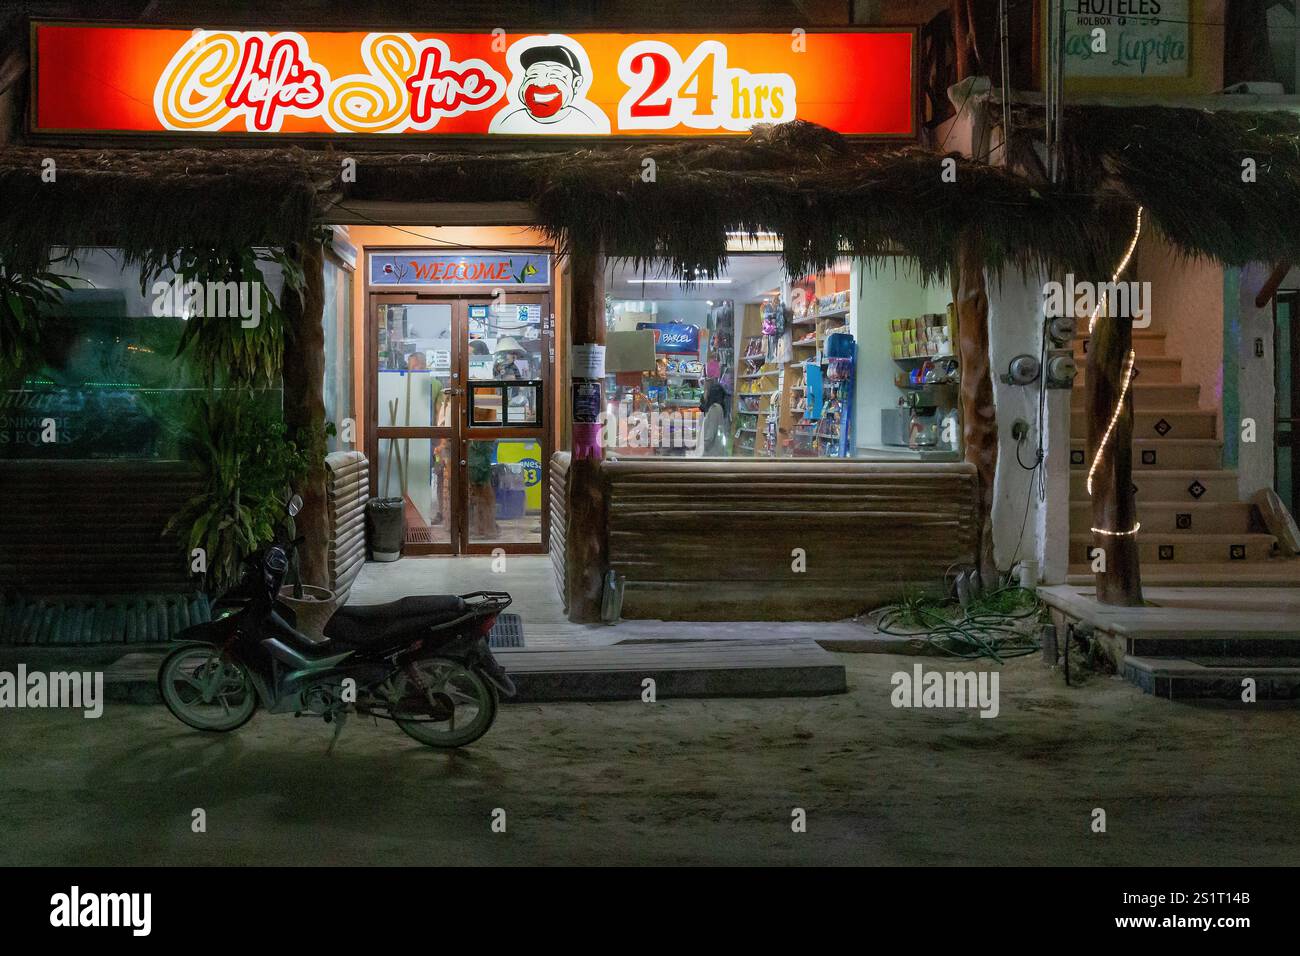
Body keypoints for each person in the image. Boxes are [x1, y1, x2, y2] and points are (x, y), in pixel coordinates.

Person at [489, 39, 611, 134]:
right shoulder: (507, 123)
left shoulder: (589, 125)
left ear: (576, 84)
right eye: (534, 74)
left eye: (554, 74)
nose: (541, 83)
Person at [695, 380, 730, 457]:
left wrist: (700, 447)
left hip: (711, 454)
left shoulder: (715, 408)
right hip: (715, 453)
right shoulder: (718, 408)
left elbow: (710, 435)